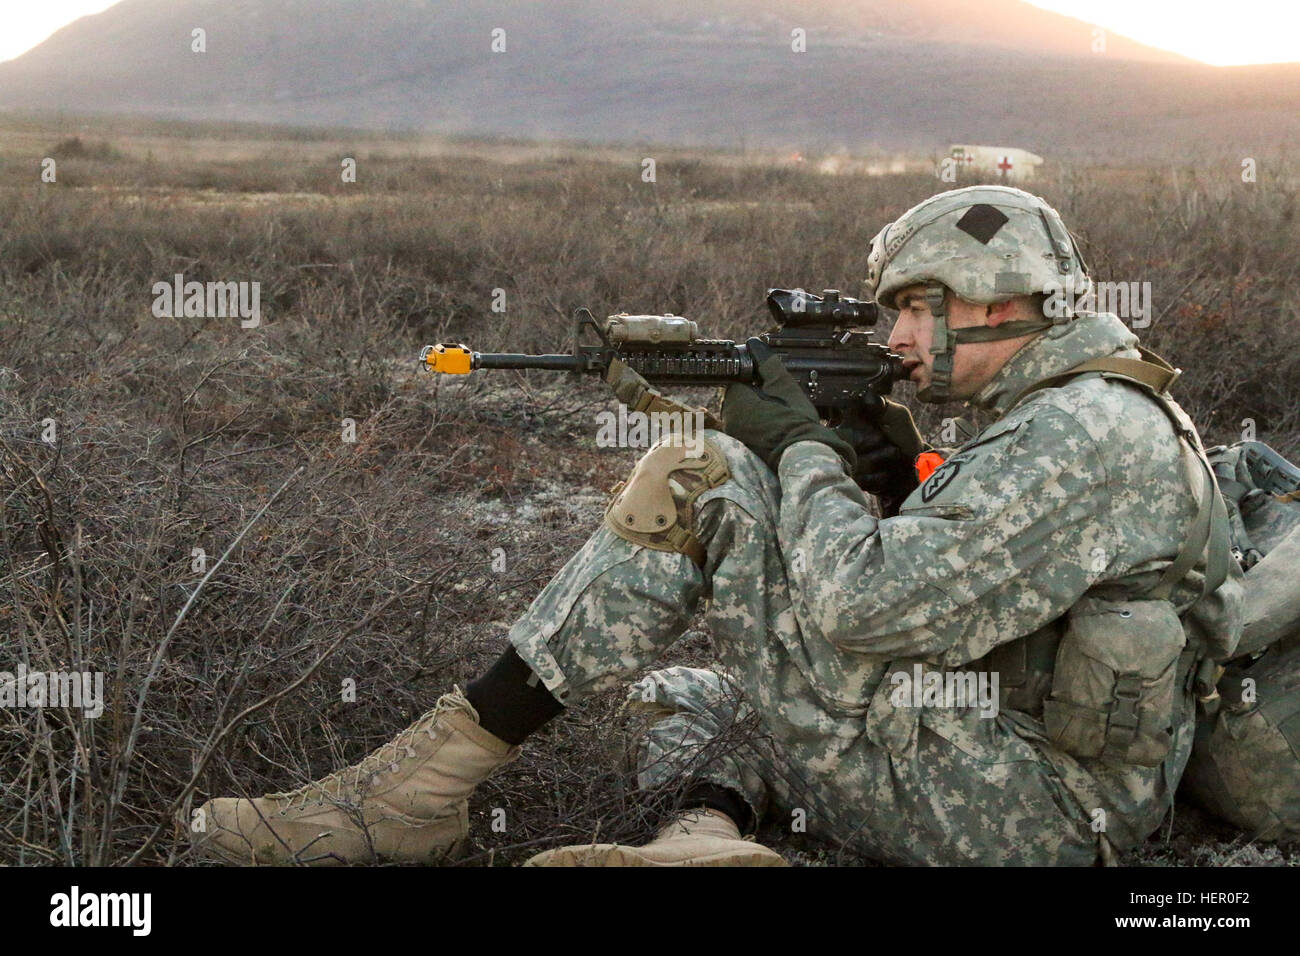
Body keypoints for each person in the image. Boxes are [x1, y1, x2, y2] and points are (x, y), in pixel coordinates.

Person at [192, 185, 1242, 867]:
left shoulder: (1081, 434)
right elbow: (964, 571)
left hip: (1036, 821)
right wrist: (879, 460)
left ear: (994, 296)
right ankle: (702, 840)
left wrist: (802, 450)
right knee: (693, 690)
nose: (897, 337)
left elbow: (864, 605)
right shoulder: (1079, 406)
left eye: (916, 308)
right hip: (1004, 755)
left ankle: (405, 802)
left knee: (708, 476)